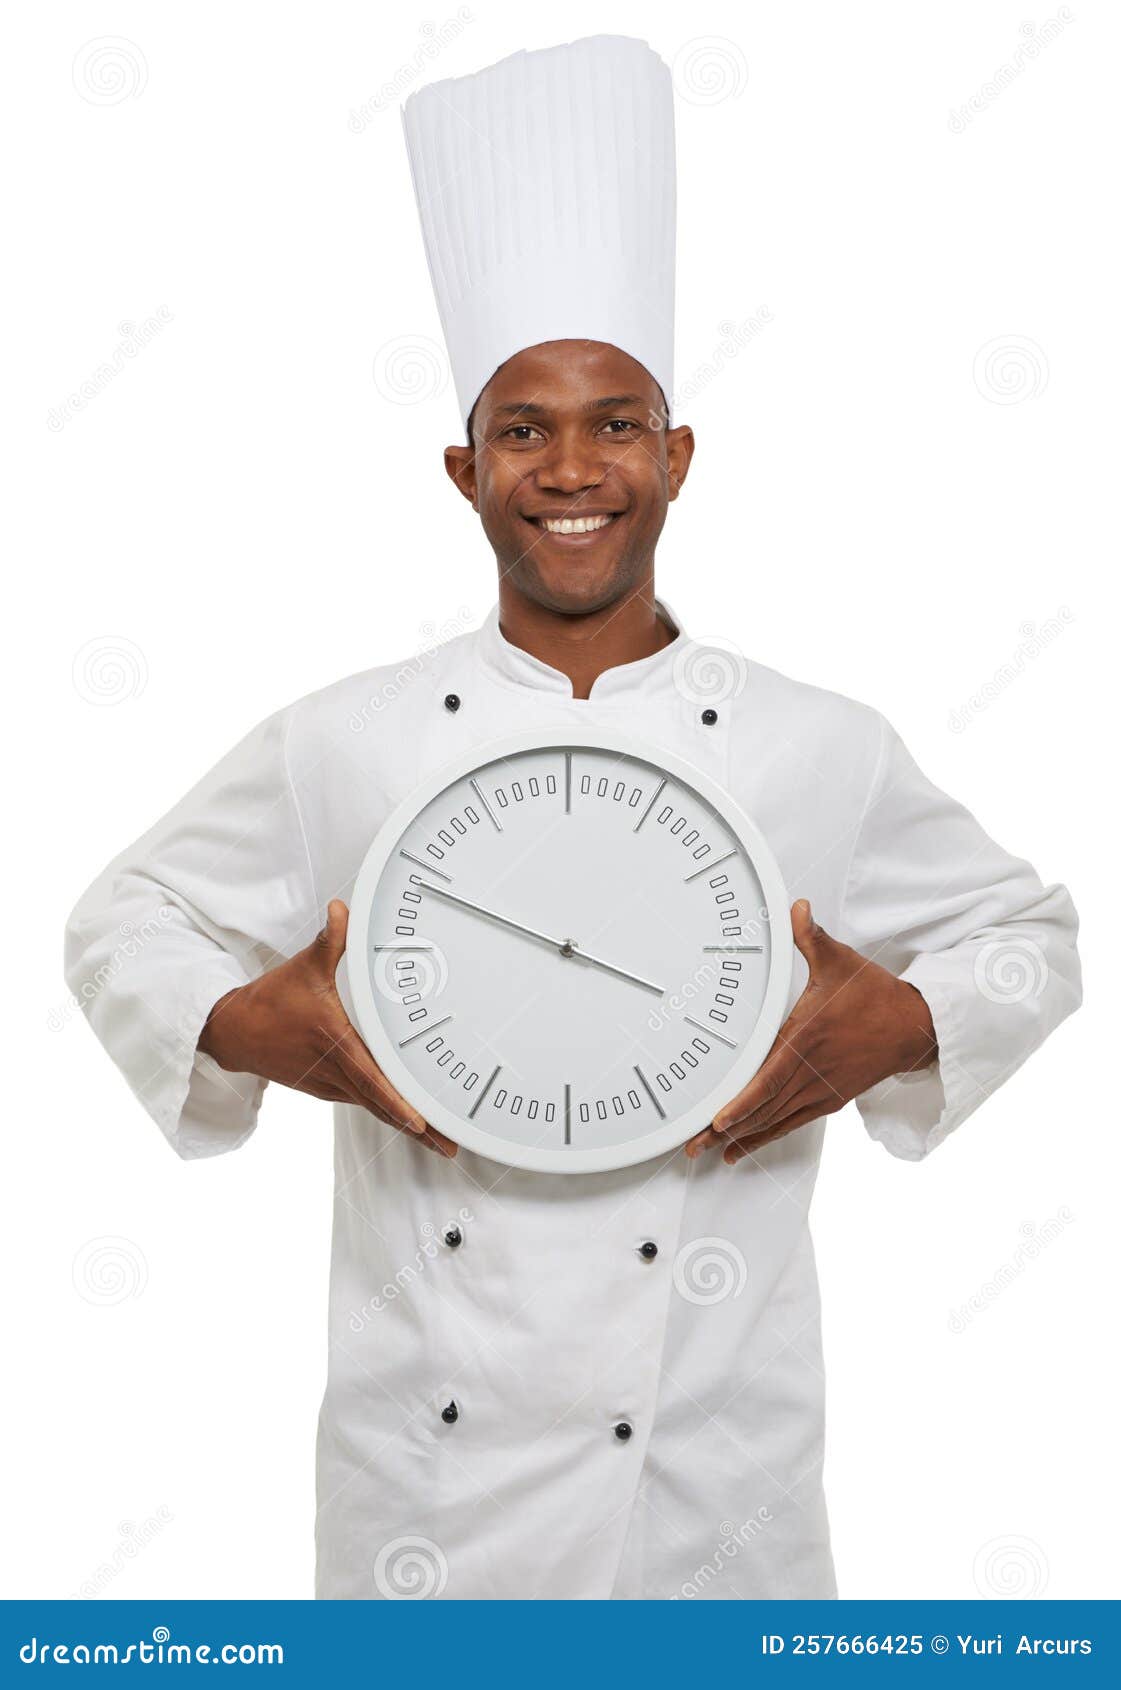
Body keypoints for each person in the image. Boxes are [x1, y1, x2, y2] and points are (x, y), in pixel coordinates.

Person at [64, 35, 1081, 1600]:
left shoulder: (819, 743)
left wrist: (890, 1024)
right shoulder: (348, 736)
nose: (571, 467)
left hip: (712, 1484)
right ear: (463, 470)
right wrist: (263, 1023)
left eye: (615, 421)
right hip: (426, 1490)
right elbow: (120, 920)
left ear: (675, 457)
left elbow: (1029, 934)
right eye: (522, 429)